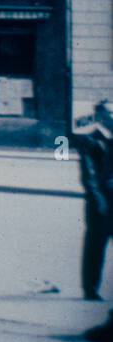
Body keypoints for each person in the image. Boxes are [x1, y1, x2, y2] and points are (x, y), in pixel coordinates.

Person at [75, 100, 113, 302]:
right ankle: (90, 289)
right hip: (101, 203)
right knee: (95, 246)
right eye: (109, 113)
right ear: (100, 117)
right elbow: (88, 176)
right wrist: (99, 200)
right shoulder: (90, 141)